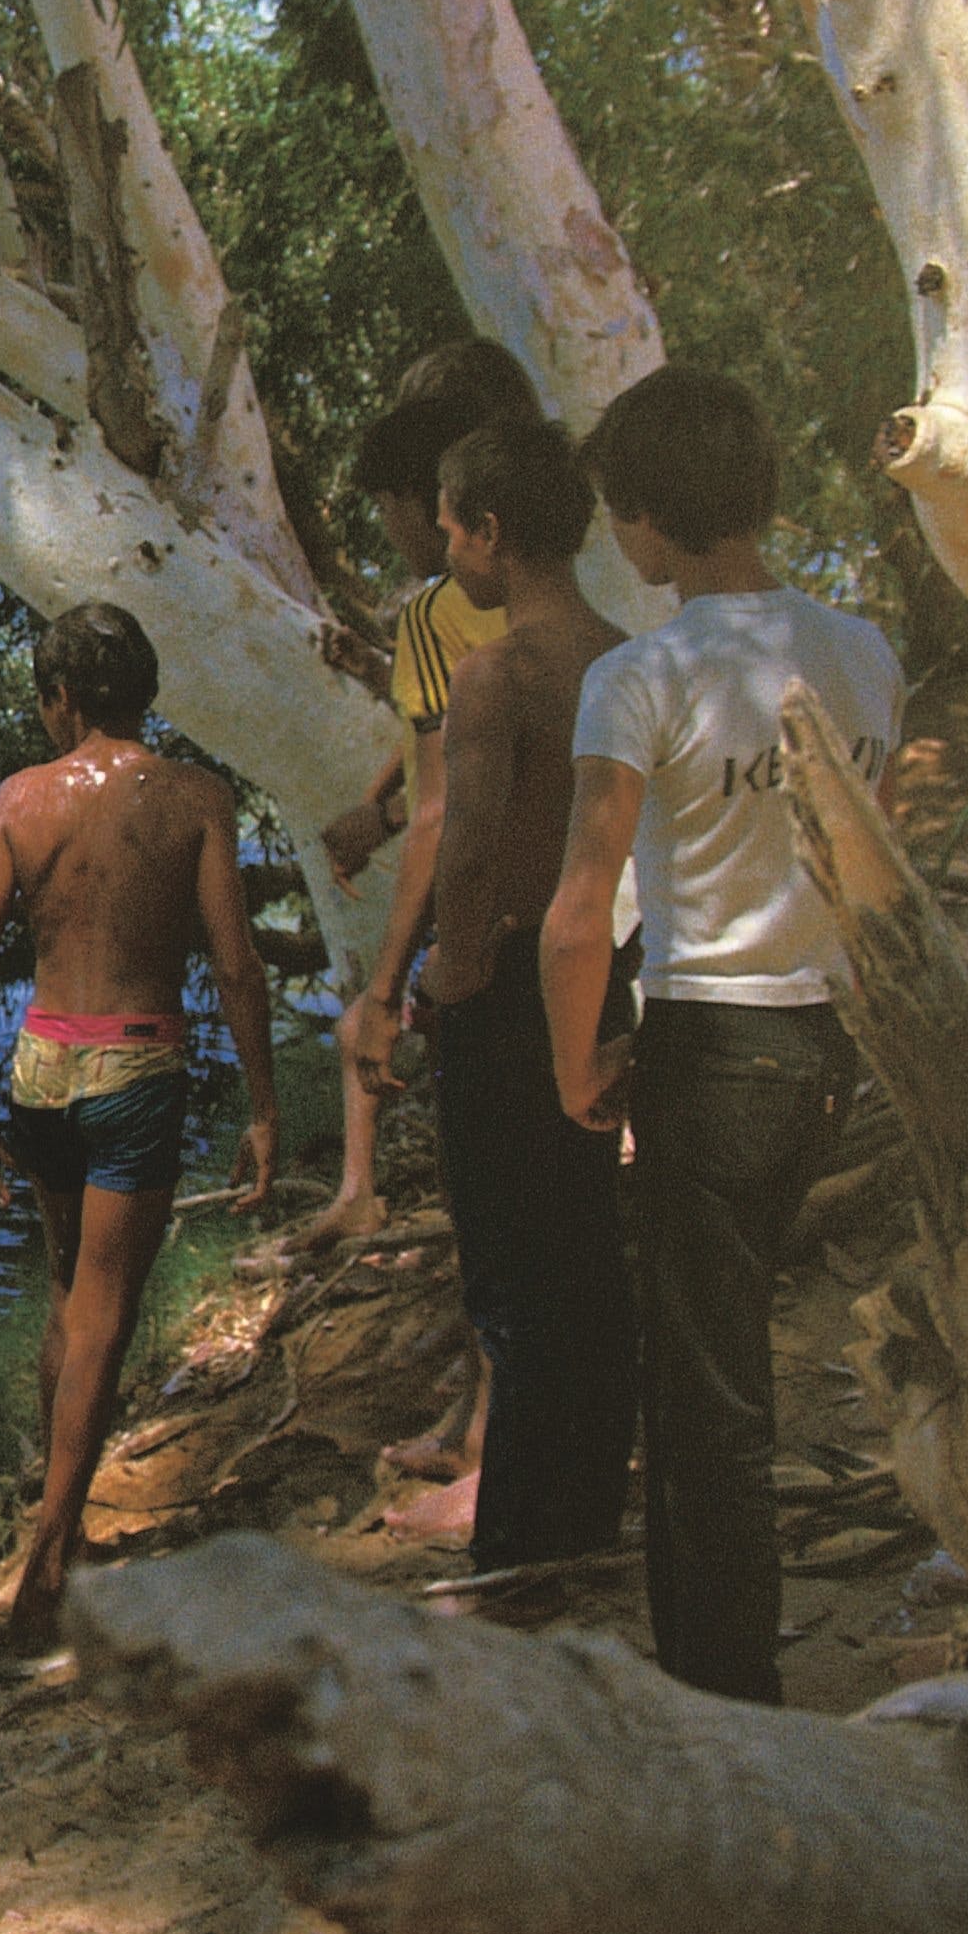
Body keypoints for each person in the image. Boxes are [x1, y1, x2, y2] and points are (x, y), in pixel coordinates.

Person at [543, 366, 899, 1703]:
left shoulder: (642, 675)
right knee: (725, 1368)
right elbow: (868, 865)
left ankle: (724, 1696)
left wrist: (576, 1060)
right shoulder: (863, 654)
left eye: (614, 518)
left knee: (705, 1406)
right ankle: (715, 1670)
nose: (616, 543)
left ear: (645, 518)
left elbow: (581, 913)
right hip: (822, 1047)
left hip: (706, 1048)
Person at [0, 603, 279, 1650]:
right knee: (102, 1311)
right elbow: (233, 963)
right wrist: (265, 1105)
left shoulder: (19, 799)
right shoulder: (196, 798)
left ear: (63, 699)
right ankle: (50, 1558)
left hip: (39, 1066)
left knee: (64, 1292)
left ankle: (55, 1527)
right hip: (136, 1063)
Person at [413, 420, 637, 1573]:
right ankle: (587, 1518)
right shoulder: (626, 657)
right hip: (608, 981)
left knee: (509, 1268)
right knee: (589, 1253)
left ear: (490, 533)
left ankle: (517, 1546)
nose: (445, 544)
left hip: (506, 987)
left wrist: (444, 982)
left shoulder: (500, 673)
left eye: (450, 525)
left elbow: (468, 845)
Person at [320, 341, 542, 1501]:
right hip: (578, 926)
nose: (406, 537)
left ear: (437, 505)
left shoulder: (434, 618)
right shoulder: (561, 600)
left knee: (496, 1210)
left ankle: (491, 1450)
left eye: (401, 513)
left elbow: (443, 810)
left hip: (481, 938)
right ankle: (479, 1413)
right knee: (526, 1211)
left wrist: (387, 982)